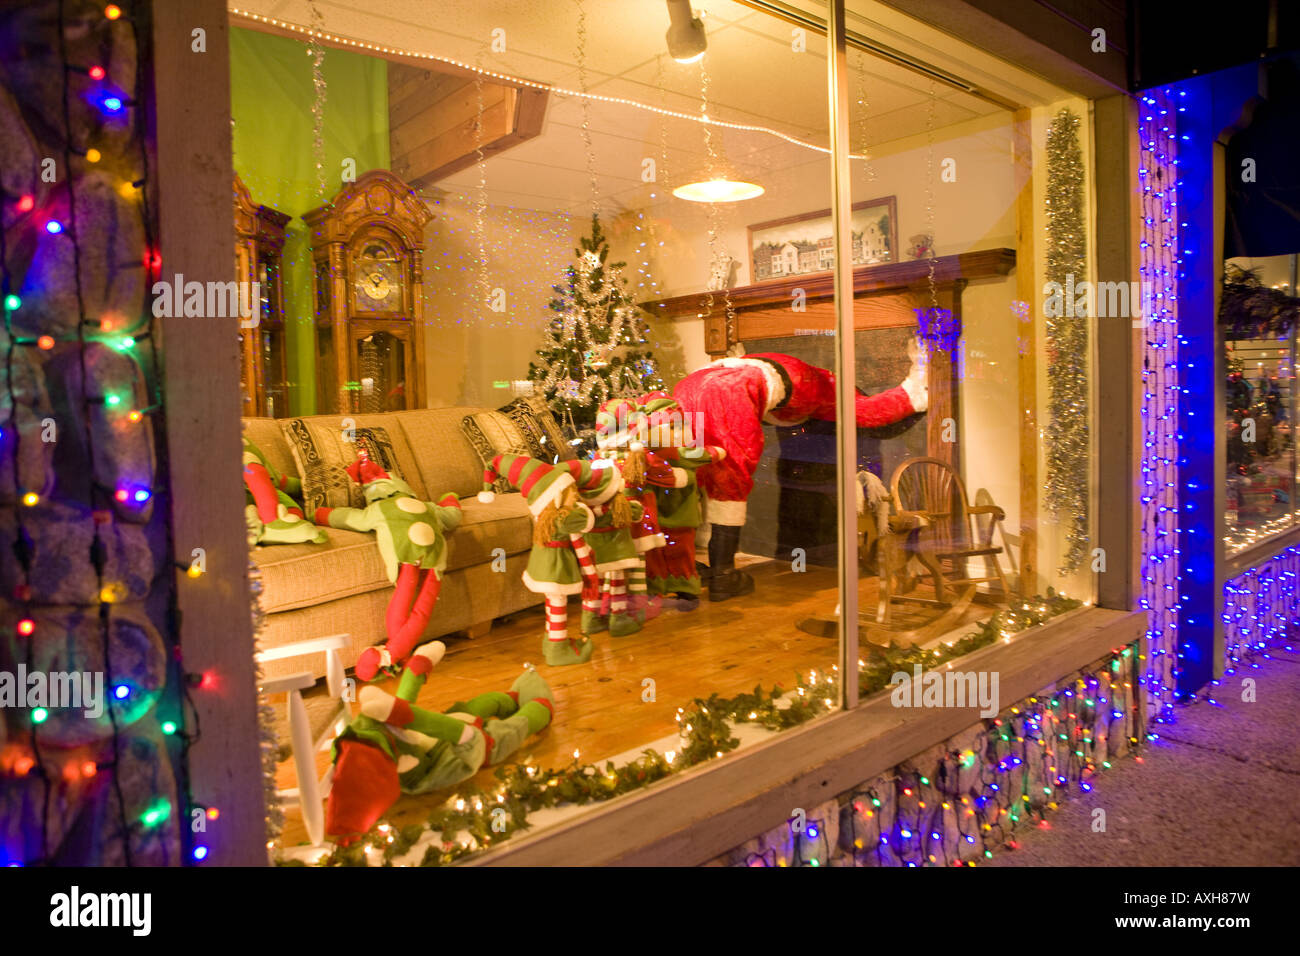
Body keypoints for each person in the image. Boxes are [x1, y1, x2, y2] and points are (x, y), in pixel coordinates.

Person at [672, 341, 927, 600]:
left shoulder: (756, 373)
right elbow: (874, 414)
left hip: (692, 382)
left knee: (687, 470)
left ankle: (682, 570)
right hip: (733, 390)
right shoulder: (829, 390)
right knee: (731, 475)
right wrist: (914, 391)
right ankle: (723, 576)